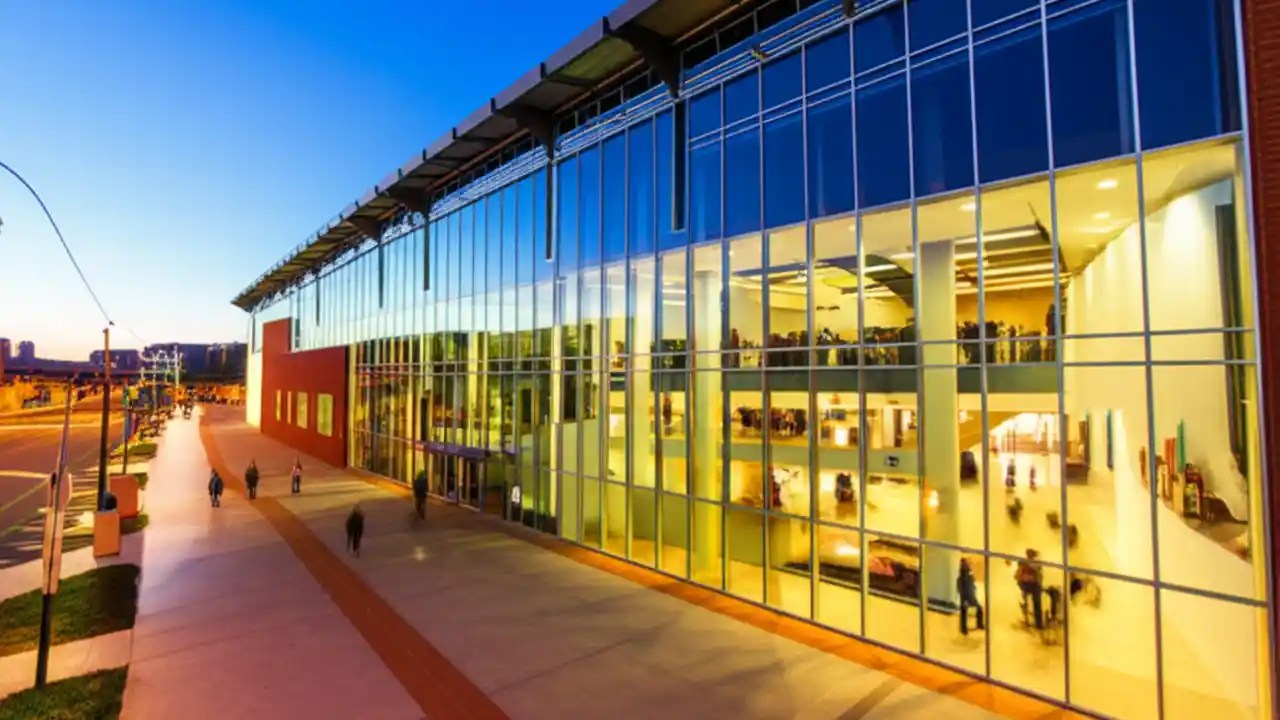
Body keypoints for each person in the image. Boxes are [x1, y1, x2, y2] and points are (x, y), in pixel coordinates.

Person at [1015, 549, 1044, 629]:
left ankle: (1038, 623)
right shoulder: (1023, 563)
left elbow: (1038, 571)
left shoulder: (1036, 563)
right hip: (1026, 585)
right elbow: (1017, 574)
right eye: (1028, 554)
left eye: (1030, 554)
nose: (1029, 555)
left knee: (1037, 603)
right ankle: (1028, 617)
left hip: (1035, 585)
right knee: (1027, 600)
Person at [957, 558, 984, 636]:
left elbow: (972, 584)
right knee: (964, 611)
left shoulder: (968, 575)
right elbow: (961, 589)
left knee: (979, 609)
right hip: (966, 597)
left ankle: (978, 624)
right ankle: (964, 628)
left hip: (970, 597)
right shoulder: (963, 578)